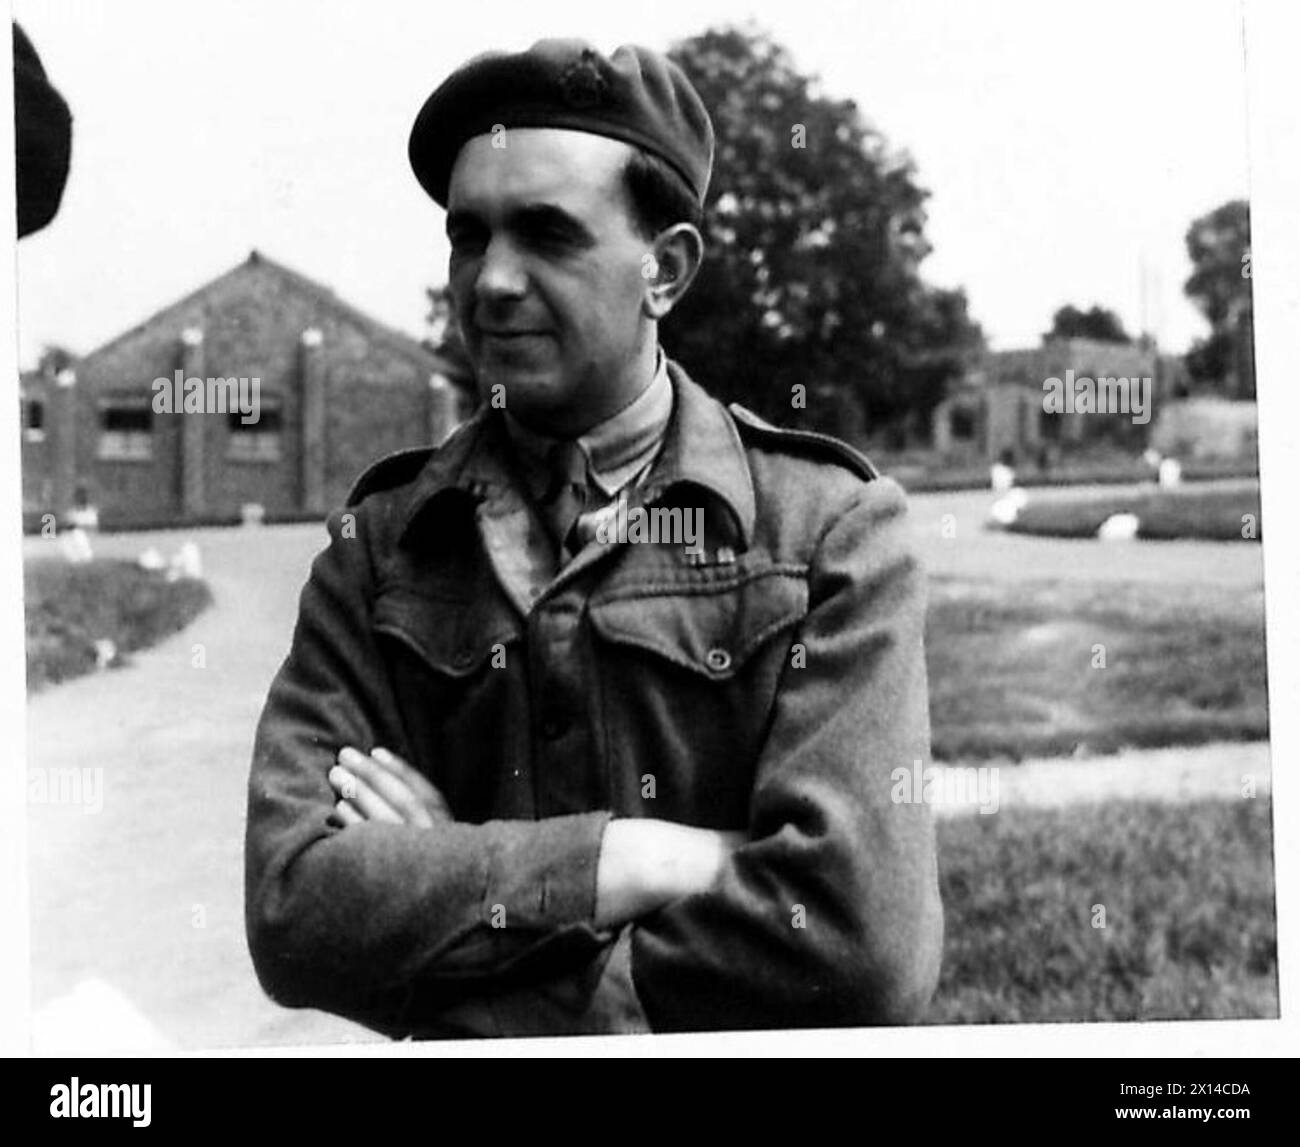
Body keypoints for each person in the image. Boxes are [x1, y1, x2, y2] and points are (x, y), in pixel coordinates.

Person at [244, 38, 942, 1038]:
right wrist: (637, 859)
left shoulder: (827, 532)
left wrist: (461, 902)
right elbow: (294, 911)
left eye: (545, 234)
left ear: (664, 271)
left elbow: (856, 950)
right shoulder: (383, 545)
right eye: (467, 236)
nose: (487, 282)